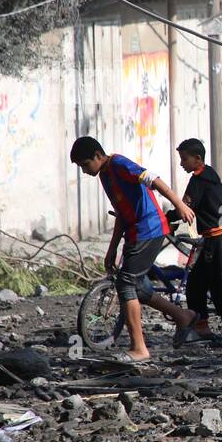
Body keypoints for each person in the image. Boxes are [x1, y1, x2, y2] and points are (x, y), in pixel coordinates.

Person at [70, 136, 198, 362]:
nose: (84, 171)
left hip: (149, 229)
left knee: (126, 284)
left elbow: (153, 179)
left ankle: (139, 348)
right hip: (135, 233)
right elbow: (121, 214)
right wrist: (112, 249)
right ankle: (182, 316)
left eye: (85, 165)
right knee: (138, 286)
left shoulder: (118, 164)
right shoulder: (105, 176)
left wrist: (179, 204)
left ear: (98, 156)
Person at [177, 139, 222, 347]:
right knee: (196, 284)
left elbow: (185, 207)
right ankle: (202, 326)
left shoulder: (198, 180)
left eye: (184, 159)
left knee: (217, 287)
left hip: (217, 238)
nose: (181, 164)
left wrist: (165, 217)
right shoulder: (211, 173)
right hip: (218, 236)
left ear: (197, 159)